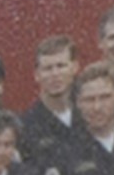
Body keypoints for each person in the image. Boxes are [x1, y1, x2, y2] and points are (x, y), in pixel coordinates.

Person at [22, 36, 79, 166]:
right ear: (36, 74)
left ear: (75, 67)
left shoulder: (90, 114)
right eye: (48, 68)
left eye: (61, 66)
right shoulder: (26, 126)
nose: (55, 74)